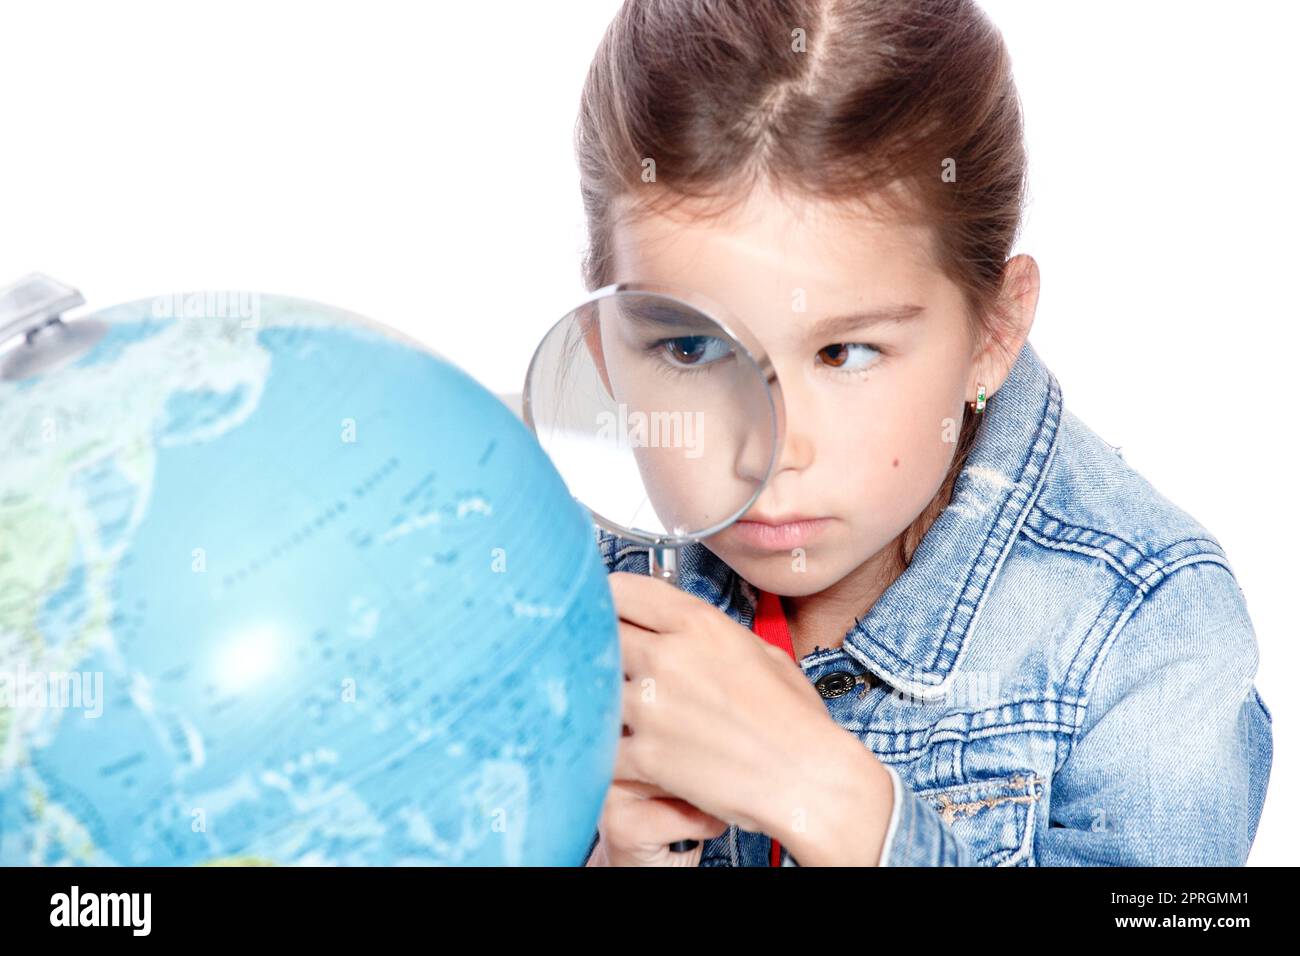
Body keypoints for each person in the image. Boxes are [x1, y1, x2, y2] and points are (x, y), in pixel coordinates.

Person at [577, 0, 1273, 866]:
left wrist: (839, 808)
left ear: (993, 332)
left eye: (845, 352)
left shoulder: (1147, 626)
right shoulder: (557, 580)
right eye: (689, 347)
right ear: (601, 346)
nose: (771, 452)